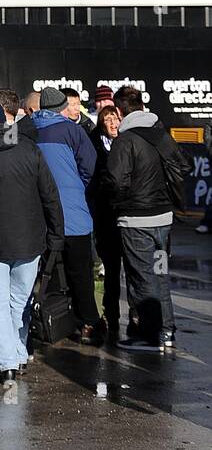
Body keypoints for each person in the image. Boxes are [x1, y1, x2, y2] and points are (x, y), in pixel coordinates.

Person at [0, 91, 65, 388]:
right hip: (29, 238)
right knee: (19, 299)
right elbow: (50, 195)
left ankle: (9, 359)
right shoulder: (28, 149)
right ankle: (16, 352)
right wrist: (56, 234)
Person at [107, 85, 188, 351]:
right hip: (163, 220)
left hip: (136, 222)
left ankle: (149, 336)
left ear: (119, 110)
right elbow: (183, 164)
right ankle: (167, 332)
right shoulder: (160, 133)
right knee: (160, 274)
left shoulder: (124, 140)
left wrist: (116, 203)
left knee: (143, 277)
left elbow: (116, 181)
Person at [30, 86, 102, 343]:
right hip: (73, 215)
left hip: (39, 217)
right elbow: (90, 167)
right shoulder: (73, 130)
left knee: (44, 273)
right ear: (61, 108)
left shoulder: (25, 130)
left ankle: (47, 320)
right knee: (80, 272)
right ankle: (88, 324)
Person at [89, 105, 125, 341]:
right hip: (103, 215)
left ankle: (136, 316)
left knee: (131, 270)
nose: (113, 124)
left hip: (126, 213)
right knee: (107, 269)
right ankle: (108, 315)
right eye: (108, 119)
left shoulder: (128, 142)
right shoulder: (94, 144)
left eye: (116, 119)